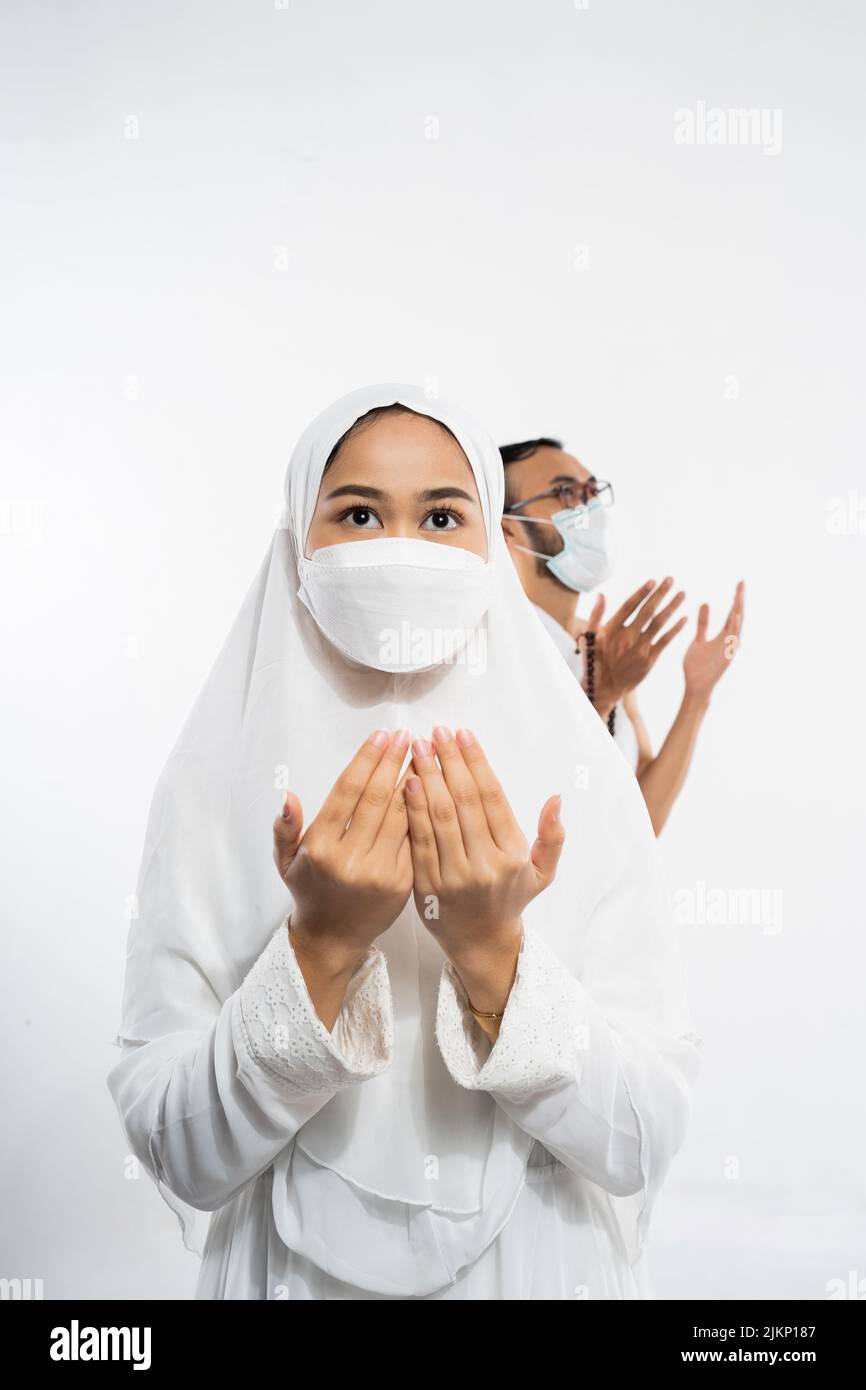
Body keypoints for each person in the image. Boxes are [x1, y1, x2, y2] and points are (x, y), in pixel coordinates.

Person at [107, 384, 702, 1301]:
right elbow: (178, 1149)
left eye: (440, 514)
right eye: (357, 513)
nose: (400, 547)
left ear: (492, 544)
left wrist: (494, 953)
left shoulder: (577, 776)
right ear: (297, 545)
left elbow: (641, 1133)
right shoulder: (215, 783)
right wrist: (320, 948)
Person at [499, 437, 745, 835]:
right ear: (508, 530)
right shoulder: (491, 647)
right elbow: (522, 812)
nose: (590, 507)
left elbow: (642, 822)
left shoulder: (604, 647)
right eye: (565, 492)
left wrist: (697, 695)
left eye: (592, 491)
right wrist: (603, 693)